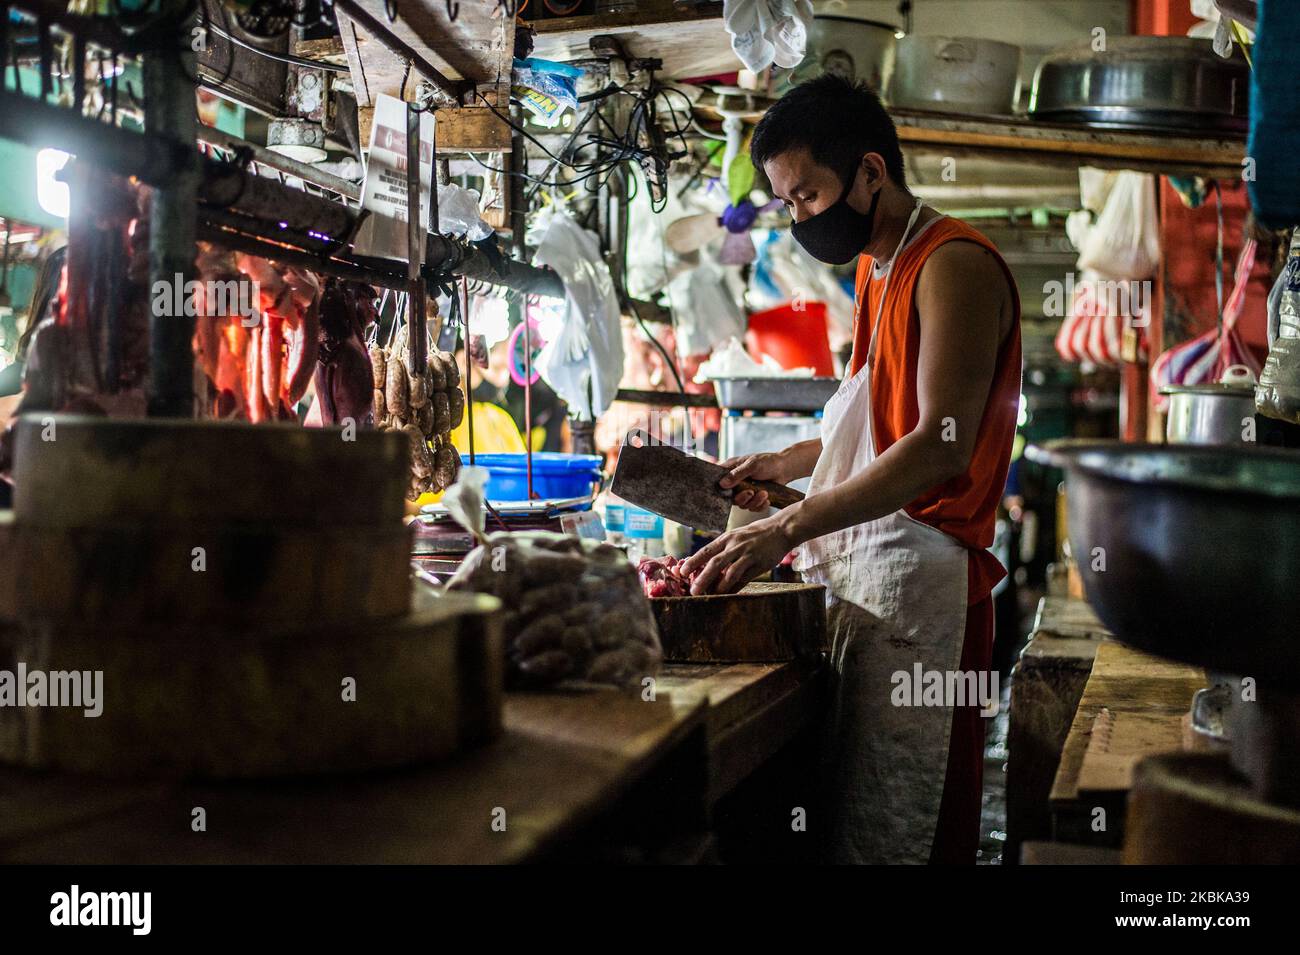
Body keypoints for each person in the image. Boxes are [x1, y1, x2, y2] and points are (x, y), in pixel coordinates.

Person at [681, 74, 1022, 864]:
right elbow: (869, 417)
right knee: (859, 824)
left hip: (934, 595)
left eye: (806, 196)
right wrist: (787, 461)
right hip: (875, 583)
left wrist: (789, 524)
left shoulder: (952, 265)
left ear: (871, 173)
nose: (799, 217)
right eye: (788, 202)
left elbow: (940, 444)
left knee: (915, 824)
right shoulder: (875, 267)